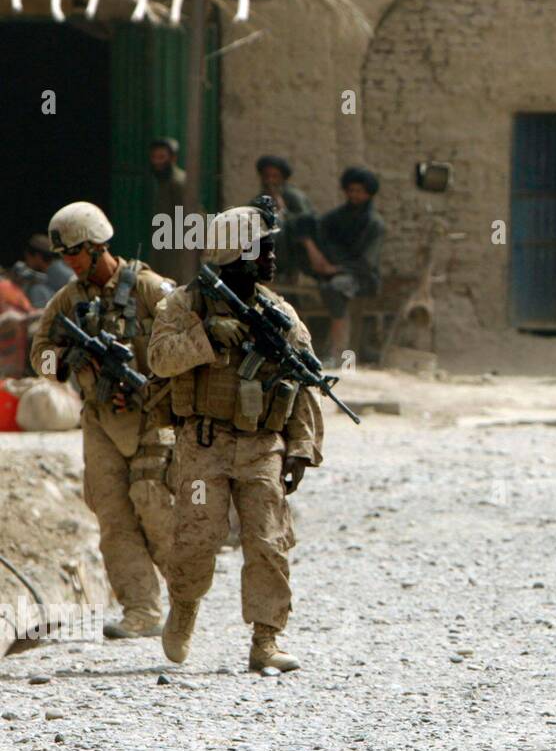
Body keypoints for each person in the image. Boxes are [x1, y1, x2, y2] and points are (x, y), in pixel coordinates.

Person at [148, 203, 325, 672]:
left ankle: (266, 638)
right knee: (196, 538)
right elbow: (159, 359)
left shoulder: (280, 314)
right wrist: (207, 336)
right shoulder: (184, 305)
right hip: (203, 442)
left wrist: (303, 448)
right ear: (236, 253)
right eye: (261, 248)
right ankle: (184, 606)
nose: (271, 258)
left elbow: (301, 383)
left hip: (262, 444)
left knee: (268, 541)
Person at [28, 202, 177, 639]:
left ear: (97, 247)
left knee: (155, 505)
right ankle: (141, 610)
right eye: (64, 255)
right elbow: (41, 352)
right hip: (100, 420)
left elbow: (185, 337)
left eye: (75, 252)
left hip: (153, 412)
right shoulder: (68, 301)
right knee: (112, 514)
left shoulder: (149, 288)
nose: (69, 262)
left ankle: (184, 598)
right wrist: (66, 360)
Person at [299, 166, 384, 362]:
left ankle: (340, 353)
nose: (354, 195)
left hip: (361, 277)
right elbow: (317, 232)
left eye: (359, 191)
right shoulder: (335, 218)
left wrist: (335, 269)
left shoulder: (374, 224)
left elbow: (367, 262)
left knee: (336, 288)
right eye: (351, 190)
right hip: (331, 272)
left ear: (368, 194)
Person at [249, 155, 313, 280]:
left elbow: (305, 225)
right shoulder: (258, 200)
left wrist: (282, 210)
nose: (270, 181)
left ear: (282, 179)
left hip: (291, 250)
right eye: (266, 176)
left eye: (274, 177)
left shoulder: (294, 197)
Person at [14, 234, 75, 308]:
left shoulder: (59, 273)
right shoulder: (55, 270)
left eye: (28, 258)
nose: (27, 263)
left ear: (37, 257)